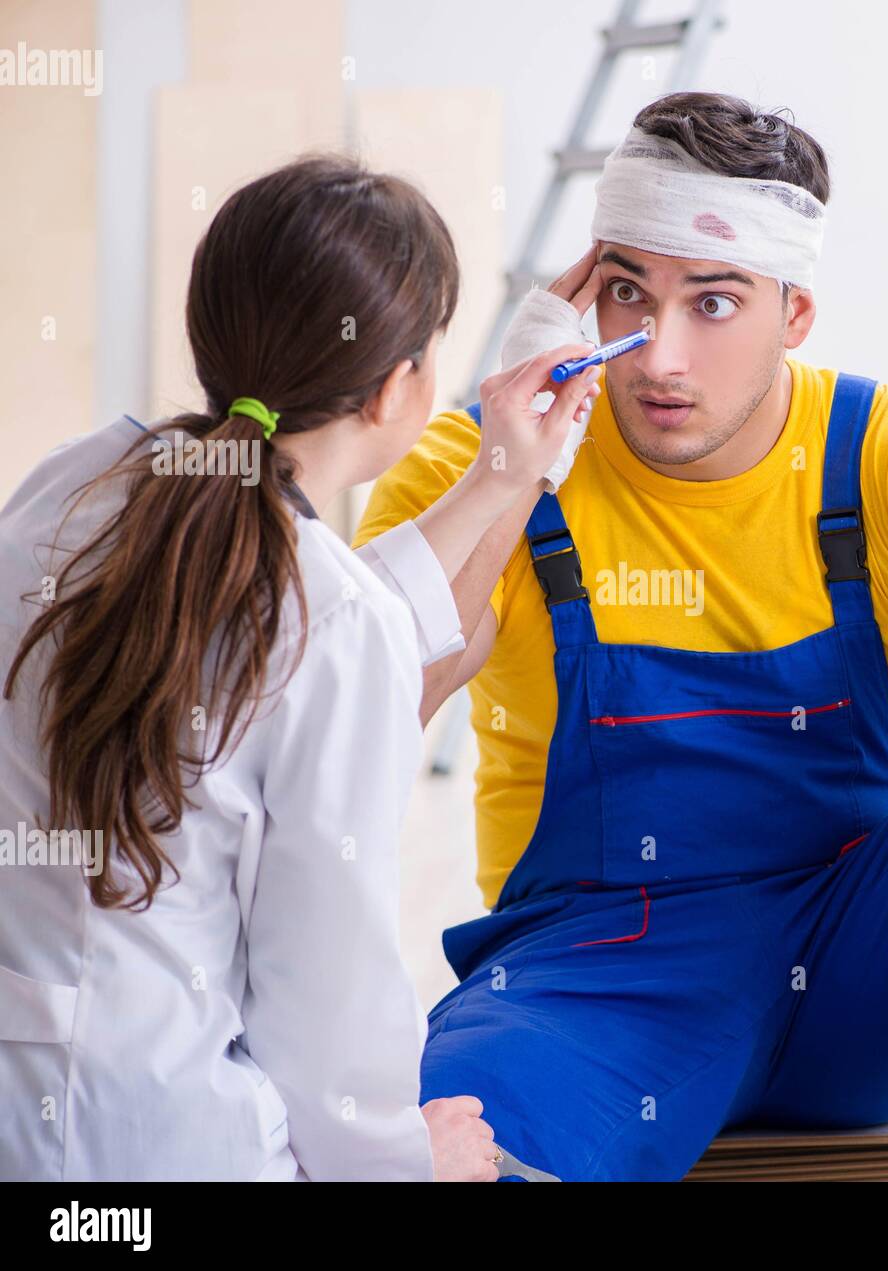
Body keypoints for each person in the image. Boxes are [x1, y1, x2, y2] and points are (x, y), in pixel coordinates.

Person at [354, 93, 888, 1182]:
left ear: (795, 312)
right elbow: (370, 709)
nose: (657, 357)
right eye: (626, 291)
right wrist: (509, 474)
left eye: (712, 303)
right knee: (451, 1154)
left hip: (868, 961)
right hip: (596, 979)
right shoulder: (480, 461)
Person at [0, 154, 599, 1181]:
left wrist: (502, 472)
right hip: (175, 1141)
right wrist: (415, 1155)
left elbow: (291, 630)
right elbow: (329, 1004)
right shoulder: (328, 616)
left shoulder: (76, 483)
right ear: (401, 384)